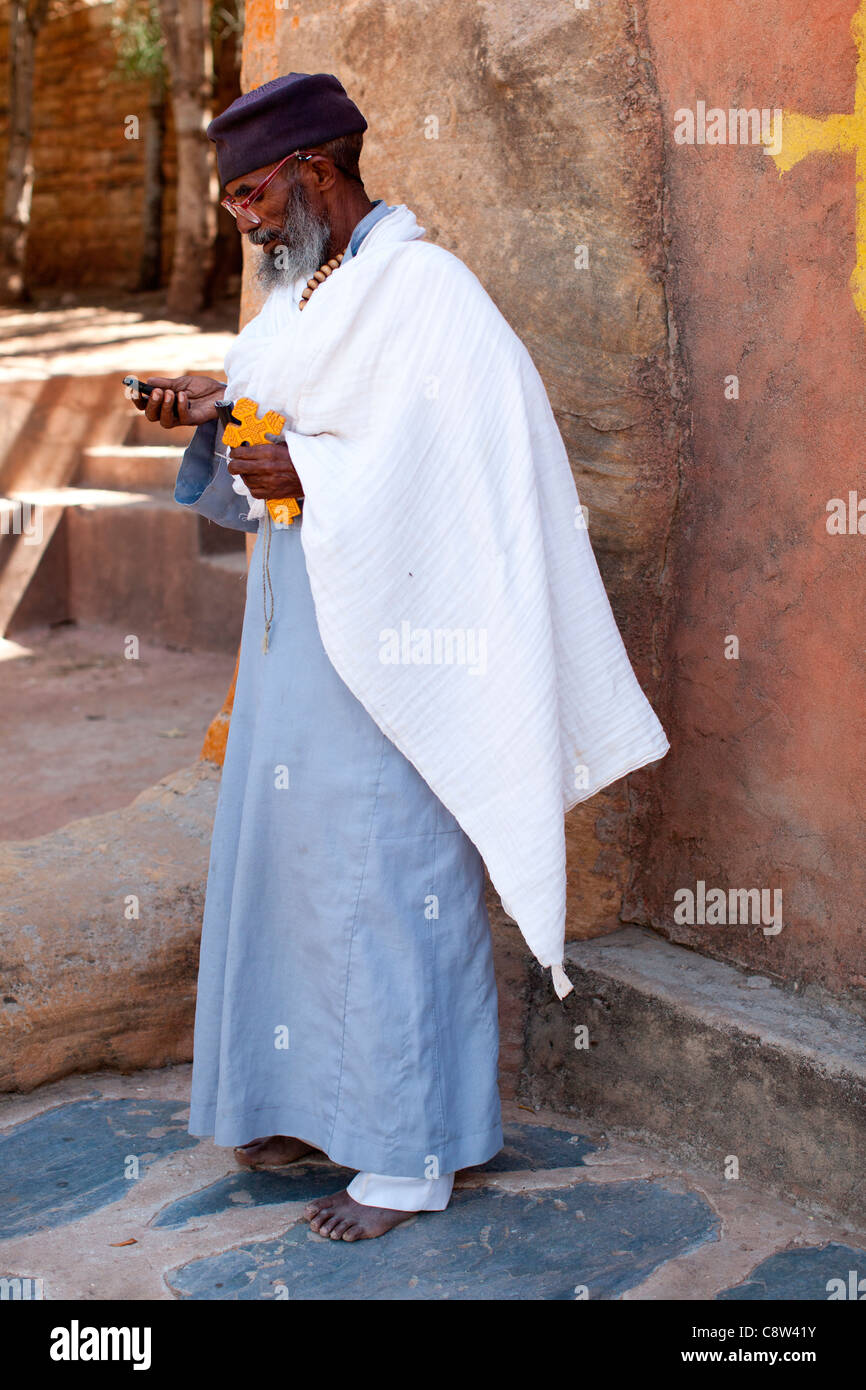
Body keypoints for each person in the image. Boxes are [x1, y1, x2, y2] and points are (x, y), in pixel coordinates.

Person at [135, 72, 669, 1242]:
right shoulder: (305, 292)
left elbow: (457, 465)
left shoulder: (428, 294)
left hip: (397, 645)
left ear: (318, 173)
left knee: (386, 878)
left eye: (254, 194)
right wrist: (213, 404)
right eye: (234, 201)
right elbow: (294, 410)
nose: (245, 219)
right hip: (297, 636)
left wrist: (314, 477)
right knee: (293, 872)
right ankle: (302, 1104)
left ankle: (409, 1153)